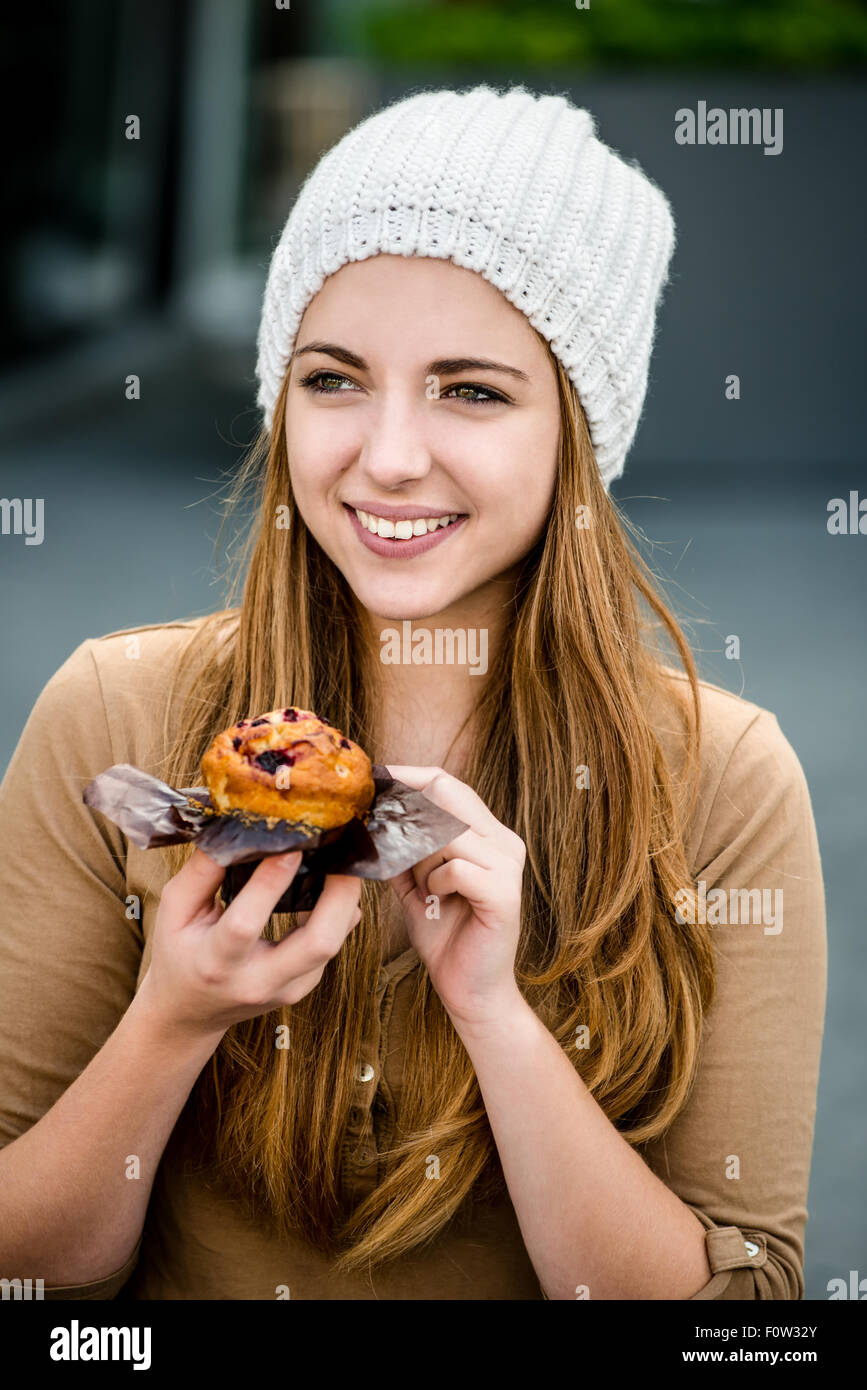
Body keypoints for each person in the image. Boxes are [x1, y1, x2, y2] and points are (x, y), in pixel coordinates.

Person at [0, 84, 826, 1300]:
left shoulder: (722, 778)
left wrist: (497, 1019)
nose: (387, 455)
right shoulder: (116, 711)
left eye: (472, 389)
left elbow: (747, 1319)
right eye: (333, 379)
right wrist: (174, 1022)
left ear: (579, 434)